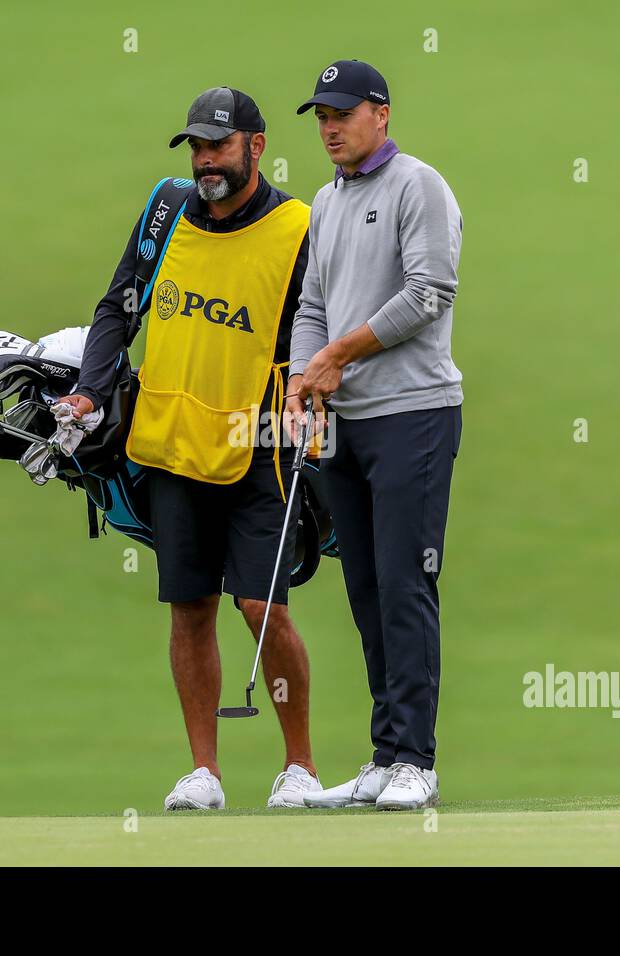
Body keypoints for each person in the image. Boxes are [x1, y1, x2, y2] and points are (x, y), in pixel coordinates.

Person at [58, 88, 322, 810]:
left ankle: (299, 766)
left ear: (256, 146)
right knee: (189, 607)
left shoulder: (301, 227)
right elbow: (119, 306)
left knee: (261, 605)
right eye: (197, 148)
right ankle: (203, 771)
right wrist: (88, 390)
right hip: (169, 442)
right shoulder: (168, 212)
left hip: (257, 443)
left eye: (219, 146)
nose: (207, 161)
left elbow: (320, 335)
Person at [286, 60, 463, 810]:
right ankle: (384, 754)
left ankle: (416, 761)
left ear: (381, 114)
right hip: (346, 425)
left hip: (414, 415)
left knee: (403, 585)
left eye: (343, 114)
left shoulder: (419, 185)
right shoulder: (325, 202)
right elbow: (312, 305)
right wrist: (301, 380)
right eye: (321, 117)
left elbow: (428, 293)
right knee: (363, 589)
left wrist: (334, 357)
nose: (329, 128)